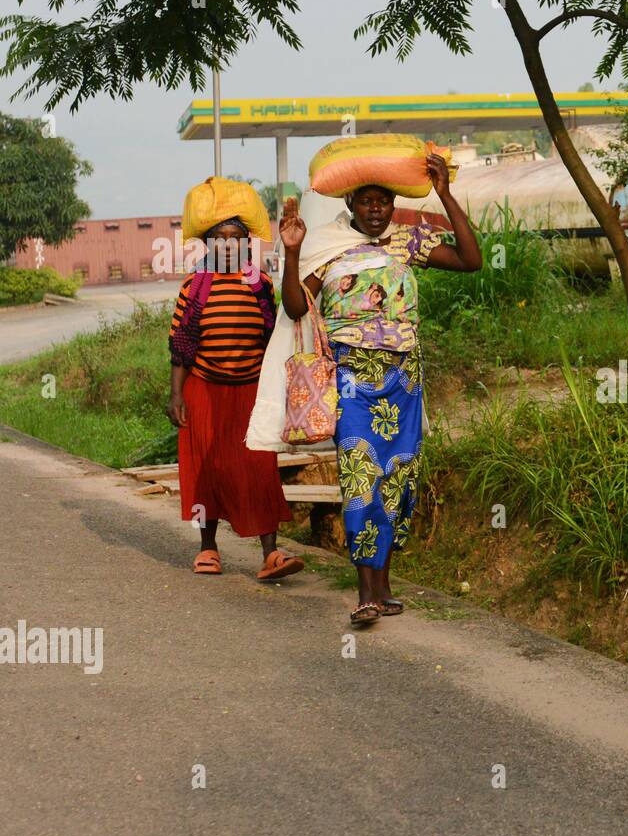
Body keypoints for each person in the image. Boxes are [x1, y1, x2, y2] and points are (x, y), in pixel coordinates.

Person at [278, 151, 481, 626]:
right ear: (349, 201)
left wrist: (445, 194)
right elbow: (292, 308)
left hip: (404, 380)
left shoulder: (407, 242)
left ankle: (384, 586)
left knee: (398, 479)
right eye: (366, 201)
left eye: (383, 202)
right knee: (360, 479)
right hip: (351, 380)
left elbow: (471, 260)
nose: (375, 210)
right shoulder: (327, 247)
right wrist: (290, 251)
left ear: (392, 205)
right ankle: (366, 592)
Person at [168, 177, 303, 581]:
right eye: (219, 239)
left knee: (259, 468)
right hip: (204, 392)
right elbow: (181, 345)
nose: (228, 246)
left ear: (247, 244)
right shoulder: (194, 288)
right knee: (206, 472)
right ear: (207, 246)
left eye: (236, 238)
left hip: (250, 392)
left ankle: (271, 553)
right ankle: (208, 549)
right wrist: (176, 394)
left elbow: (271, 338)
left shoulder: (259, 285)